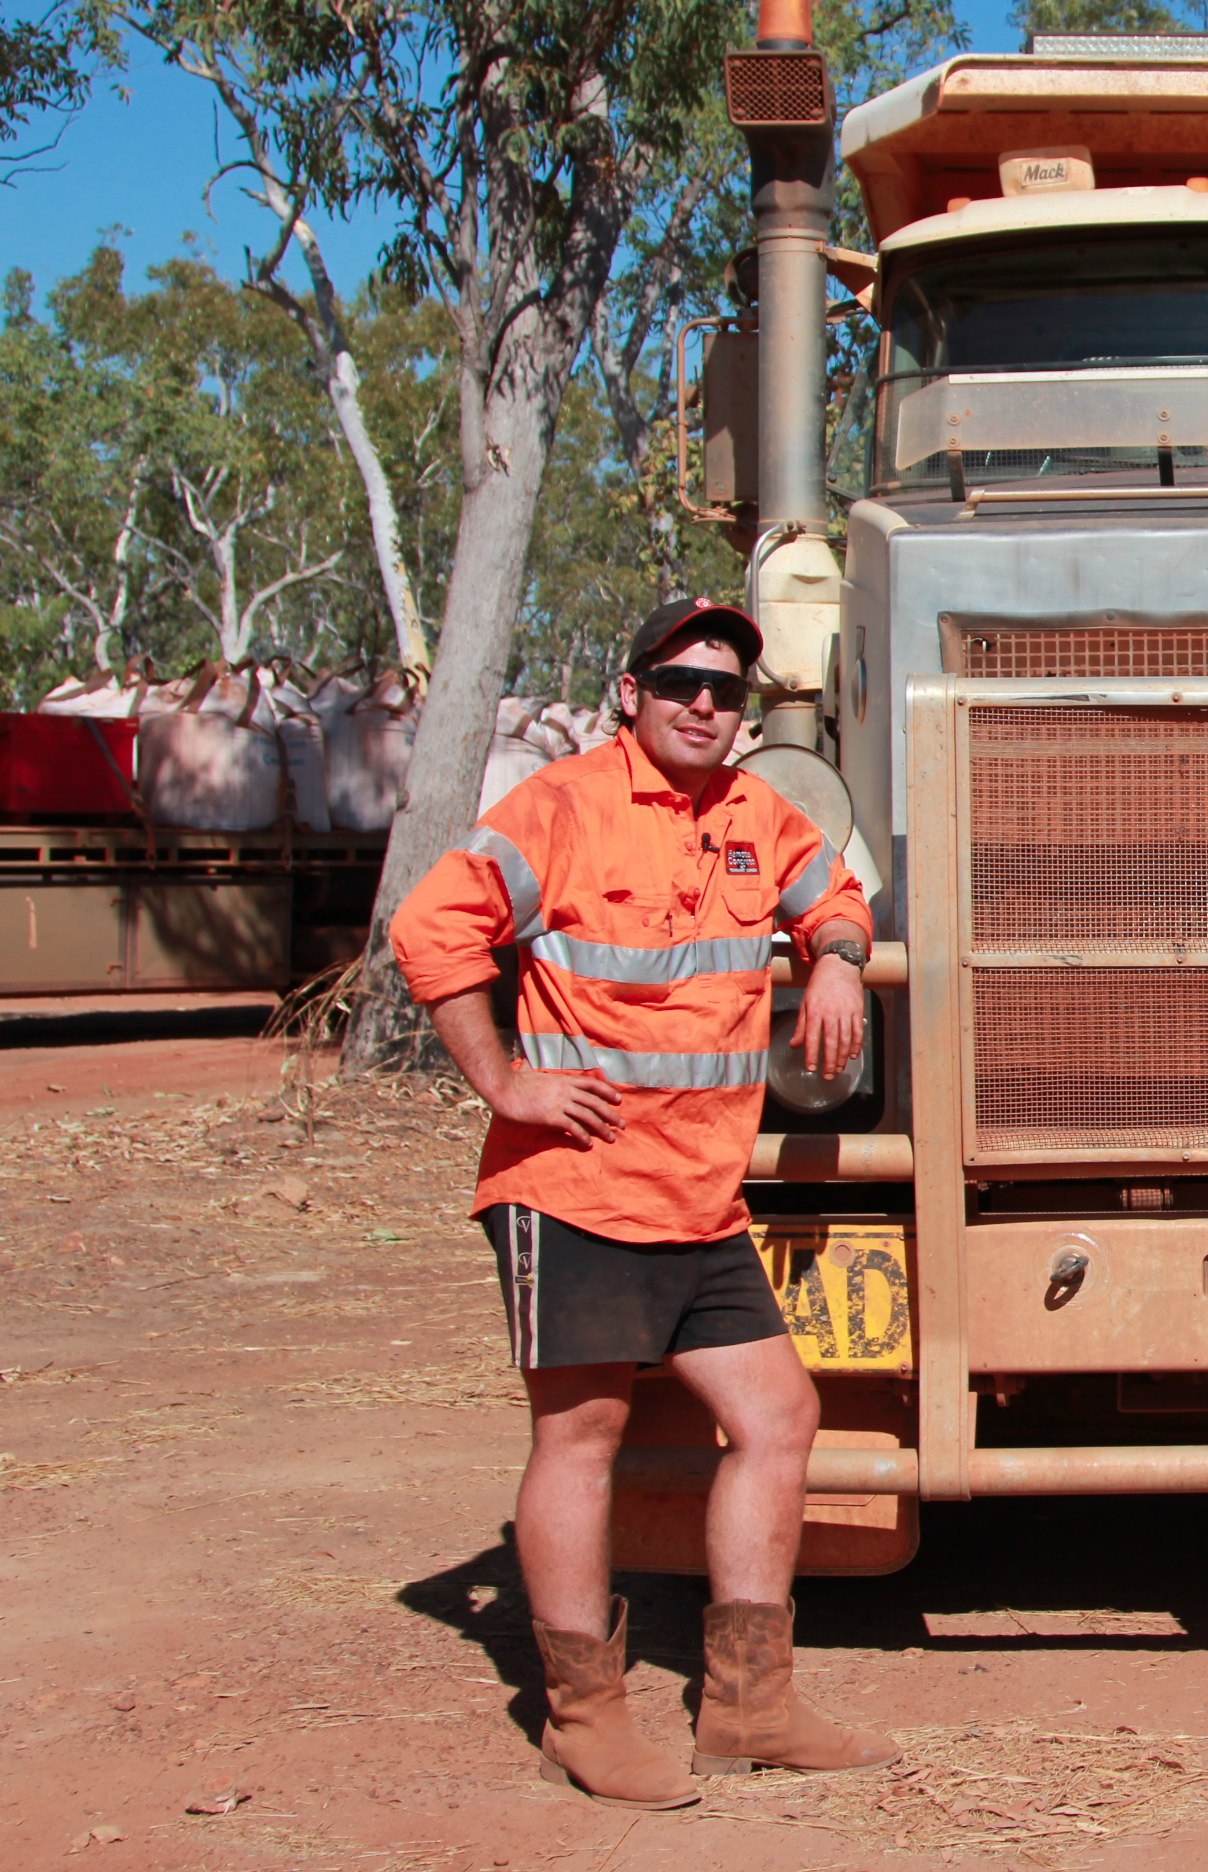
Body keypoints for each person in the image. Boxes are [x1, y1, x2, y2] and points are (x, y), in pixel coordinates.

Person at [391, 595, 895, 1809]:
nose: (705, 705)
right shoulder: (561, 809)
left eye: (725, 689)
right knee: (583, 1438)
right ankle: (585, 1710)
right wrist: (507, 1078)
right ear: (633, 692)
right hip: (572, 1191)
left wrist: (833, 958)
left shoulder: (756, 816)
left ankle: (746, 1701)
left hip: (699, 1199)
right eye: (680, 683)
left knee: (778, 1415)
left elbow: (837, 892)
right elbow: (428, 927)